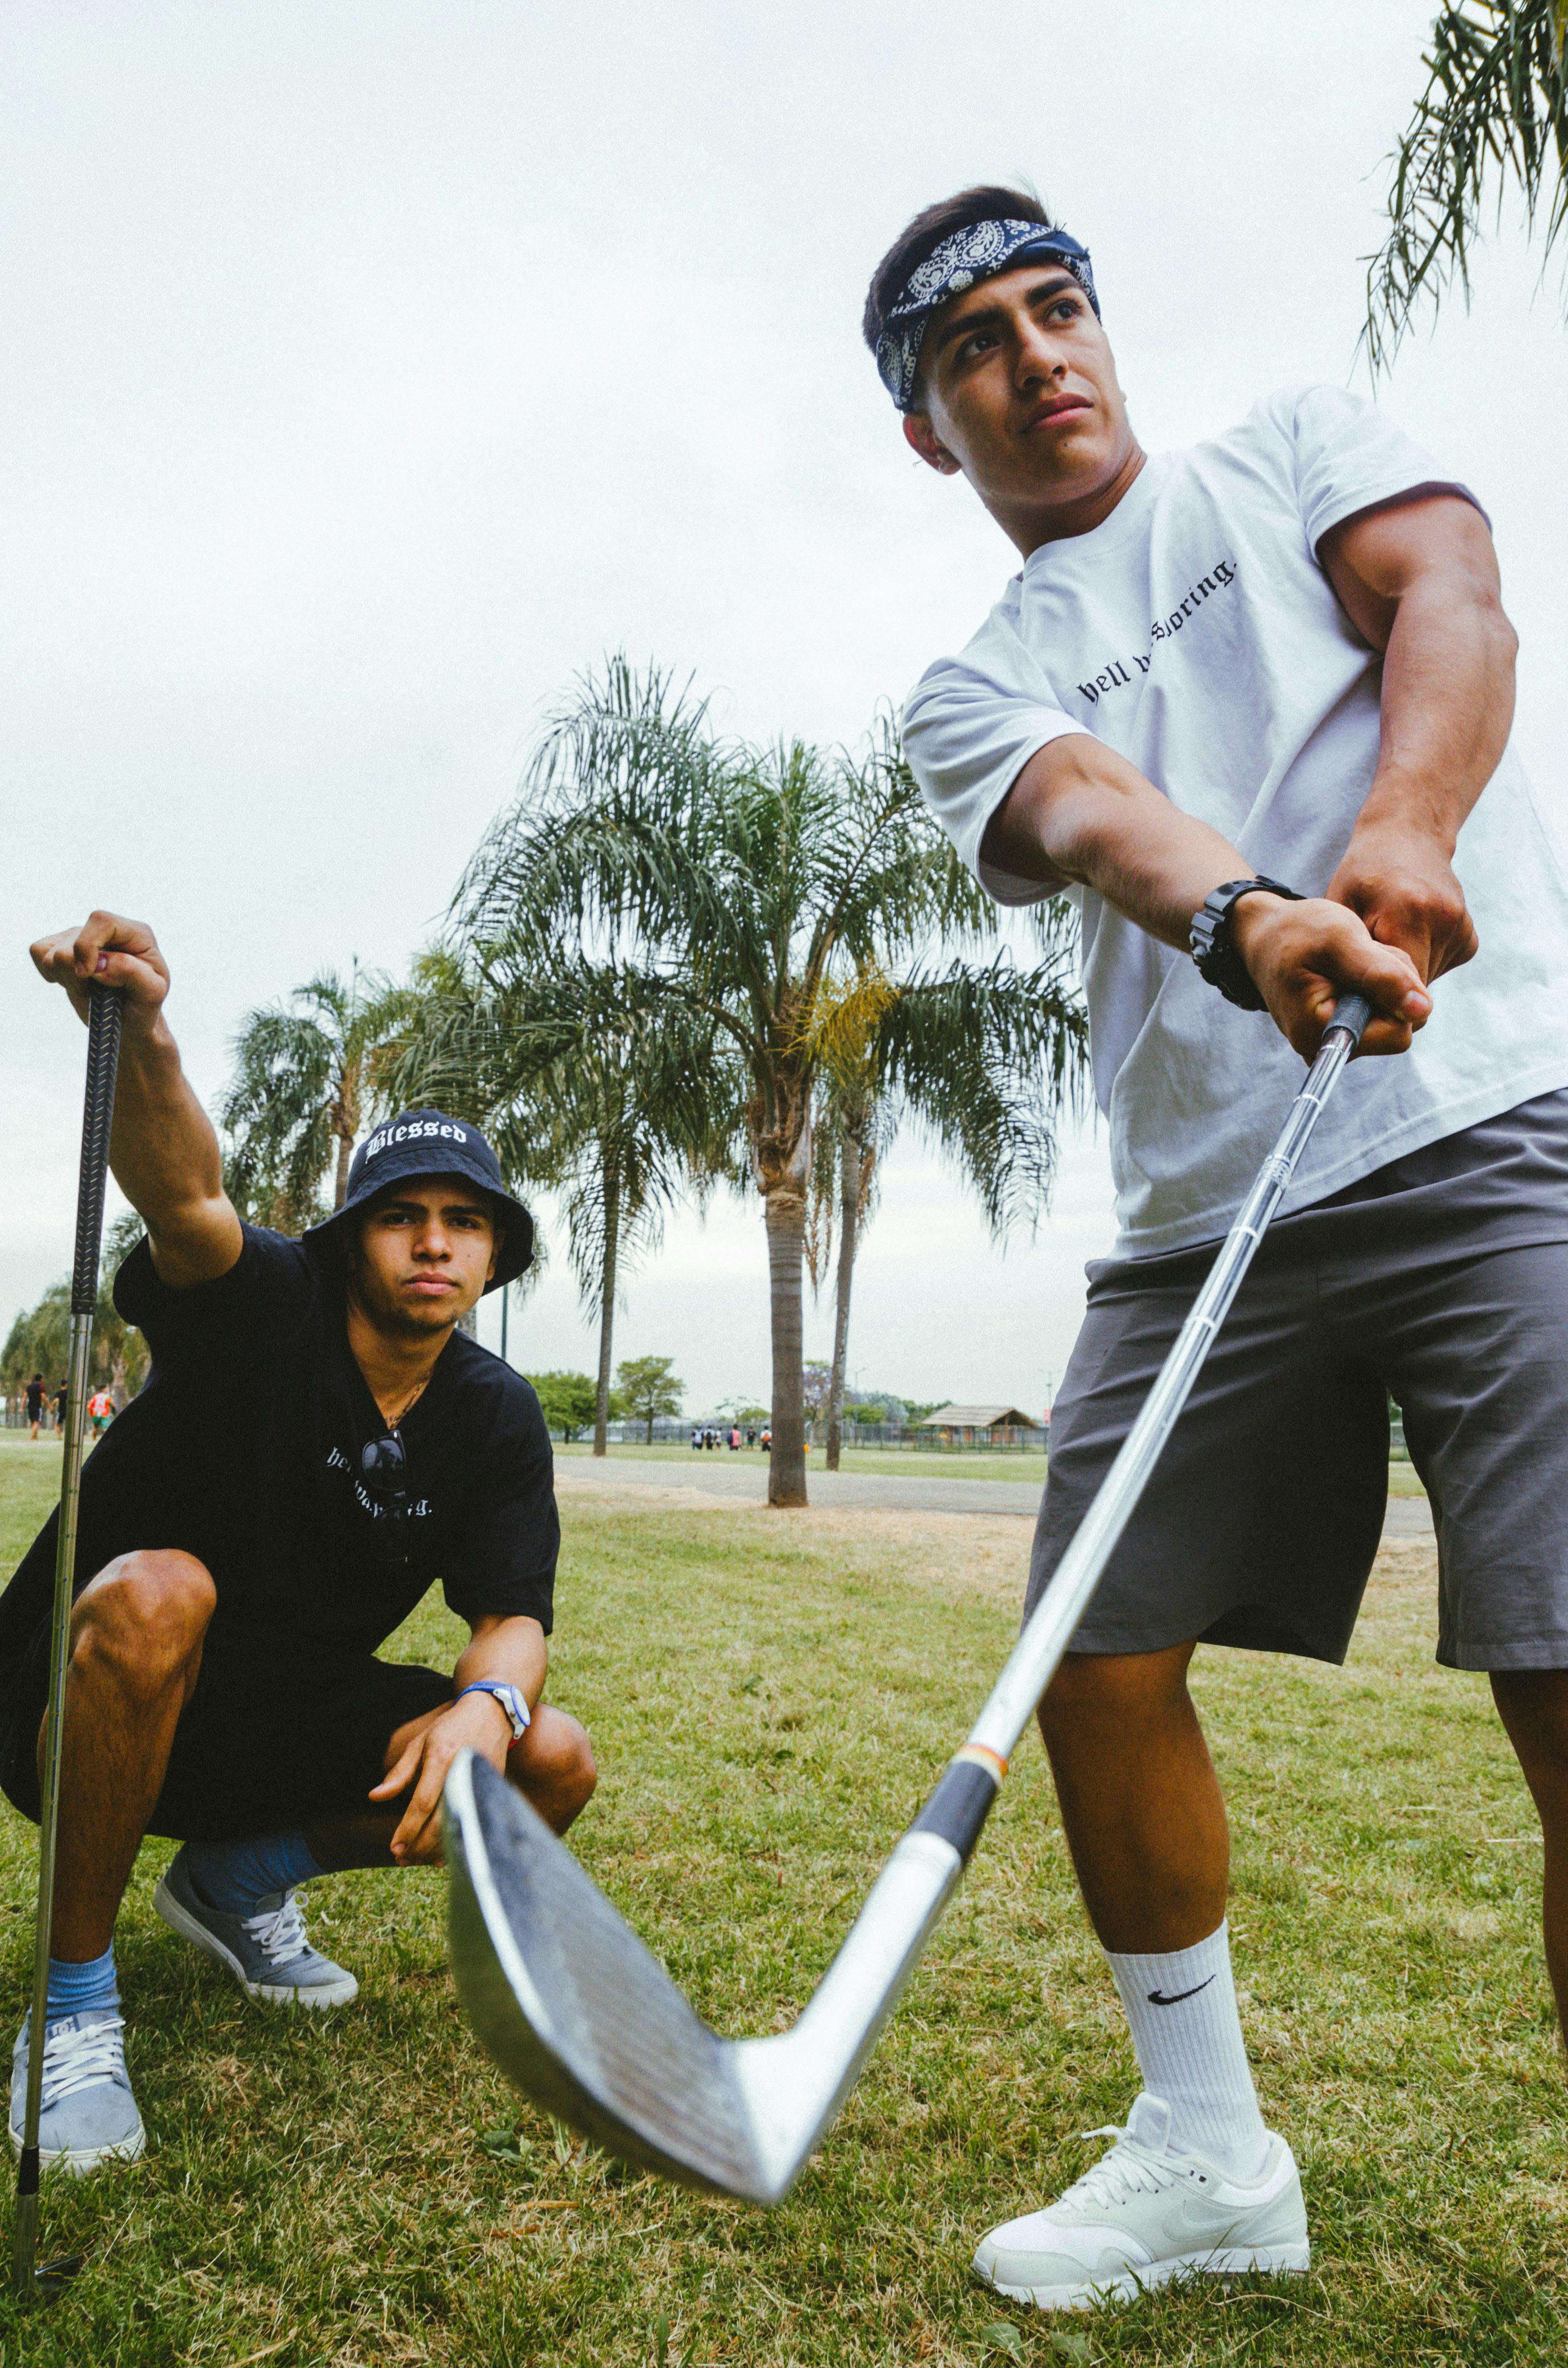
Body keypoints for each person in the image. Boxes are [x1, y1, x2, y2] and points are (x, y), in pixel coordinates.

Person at [867, 185, 1568, 2310]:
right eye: (974, 344)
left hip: (1479, 1128)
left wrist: (1405, 831)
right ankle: (1207, 2153)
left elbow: (1450, 589)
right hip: (1206, 1223)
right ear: (931, 426)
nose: (1034, 356)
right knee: (1099, 1665)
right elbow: (1091, 807)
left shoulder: (1285, 452)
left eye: (1053, 307)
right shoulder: (967, 685)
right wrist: (1258, 914)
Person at [5, 911, 597, 2175]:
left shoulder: (495, 1414)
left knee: (545, 1762)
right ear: (350, 1237)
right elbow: (184, 1194)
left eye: (465, 1220)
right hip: (72, 1691)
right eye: (402, 1215)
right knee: (167, 1590)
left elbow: (514, 1615)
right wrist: (146, 1028)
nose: (434, 1240)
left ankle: (234, 1882)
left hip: (268, 1718)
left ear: (495, 1253)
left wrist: (489, 1703)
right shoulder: (266, 1300)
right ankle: (70, 2007)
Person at [24, 1376, 44, 1442]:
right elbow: (43, 1397)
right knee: (37, 1423)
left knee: (33, 1423)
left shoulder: (29, 1387)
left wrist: (21, 1407)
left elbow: (24, 1397)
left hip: (30, 1406)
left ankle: (35, 1437)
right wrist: (49, 1406)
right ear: (41, 1379)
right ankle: (32, 1438)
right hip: (37, 1406)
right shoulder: (41, 1386)